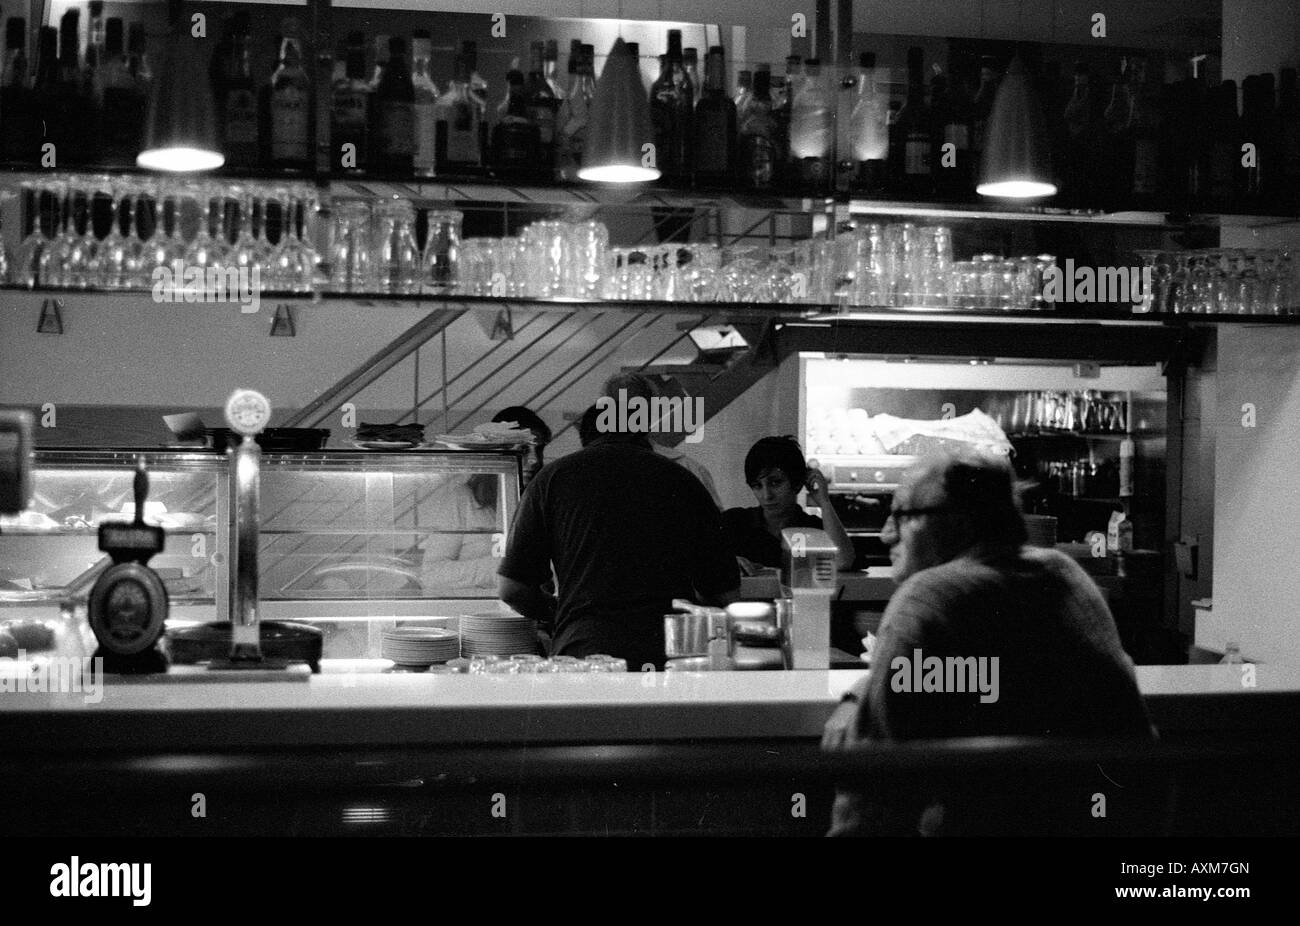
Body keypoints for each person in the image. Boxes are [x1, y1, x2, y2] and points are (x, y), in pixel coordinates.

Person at [821, 449, 1154, 836]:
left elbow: (871, 799)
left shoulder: (926, 597)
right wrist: (865, 689)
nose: (885, 534)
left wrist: (865, 699)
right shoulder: (1065, 575)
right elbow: (997, 677)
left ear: (961, 522)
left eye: (902, 515)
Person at [498, 392, 740, 670]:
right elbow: (727, 596)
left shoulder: (551, 480)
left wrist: (558, 613)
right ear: (644, 434)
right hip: (670, 656)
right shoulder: (685, 481)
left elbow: (511, 588)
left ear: (585, 438)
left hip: (583, 651)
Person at [721, 436, 855, 574]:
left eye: (775, 483)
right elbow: (700, 561)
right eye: (757, 486)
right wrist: (726, 562)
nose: (767, 495)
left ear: (797, 483)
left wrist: (824, 502)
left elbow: (843, 562)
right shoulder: (734, 523)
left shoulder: (814, 528)